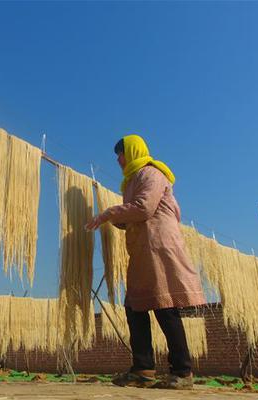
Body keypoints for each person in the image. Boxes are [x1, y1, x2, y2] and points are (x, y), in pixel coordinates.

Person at [86, 135, 205, 390]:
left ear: (132, 151)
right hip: (143, 249)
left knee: (165, 307)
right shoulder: (131, 181)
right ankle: (142, 369)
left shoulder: (151, 173)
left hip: (159, 246)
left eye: (121, 153)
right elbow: (132, 213)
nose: (118, 159)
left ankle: (182, 372)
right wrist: (116, 218)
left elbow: (143, 209)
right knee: (135, 306)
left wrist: (109, 213)